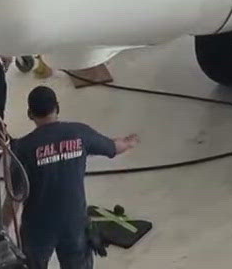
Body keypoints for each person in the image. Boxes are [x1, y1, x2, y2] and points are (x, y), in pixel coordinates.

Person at [10, 85, 137, 268]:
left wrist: (2, 228)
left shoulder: (22, 148)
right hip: (73, 221)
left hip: (38, 227)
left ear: (30, 114)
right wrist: (129, 142)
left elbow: (15, 196)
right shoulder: (79, 133)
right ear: (58, 108)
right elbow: (113, 148)